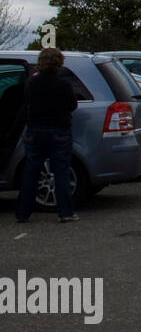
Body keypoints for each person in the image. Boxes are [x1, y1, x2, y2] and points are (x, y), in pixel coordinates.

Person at [15, 47, 79, 223]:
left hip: (35, 130)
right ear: (58, 63)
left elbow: (27, 102)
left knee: (31, 171)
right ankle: (65, 212)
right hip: (59, 131)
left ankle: (23, 213)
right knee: (61, 172)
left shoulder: (31, 82)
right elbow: (72, 105)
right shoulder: (63, 84)